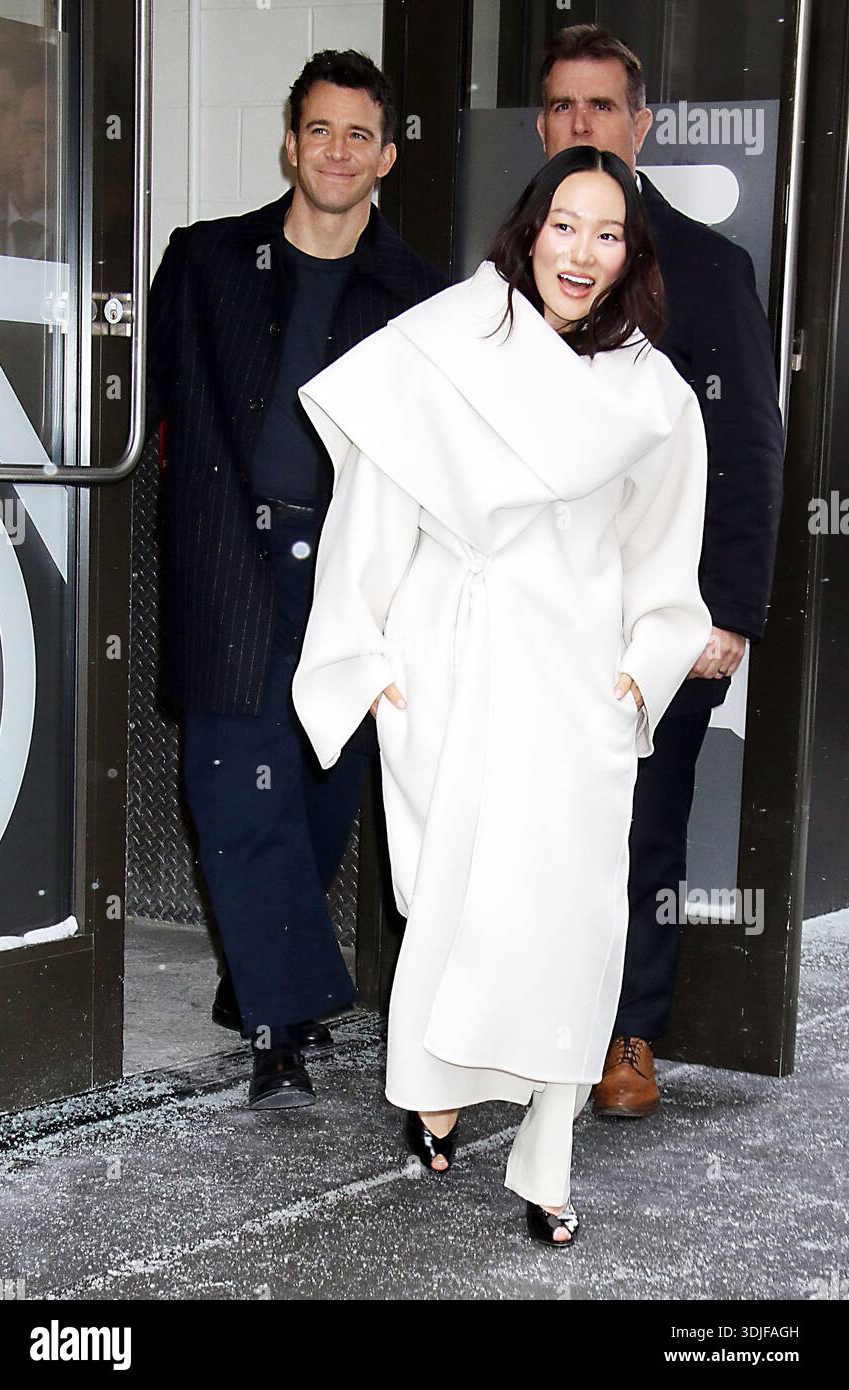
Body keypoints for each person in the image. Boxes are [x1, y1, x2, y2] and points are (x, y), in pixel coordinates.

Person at [291, 146, 712, 1245]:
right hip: (456, 673)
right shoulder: (442, 349)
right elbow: (370, 515)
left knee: (568, 928)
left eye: (607, 233)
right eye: (563, 225)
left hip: (575, 689)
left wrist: (639, 667)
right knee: (461, 909)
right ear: (528, 232)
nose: (581, 252)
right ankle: (434, 1091)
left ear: (631, 255)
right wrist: (367, 660)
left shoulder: (652, 397)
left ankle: (547, 1158)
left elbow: (665, 561)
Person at [145, 50, 446, 1110]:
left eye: (357, 134)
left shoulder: (424, 297)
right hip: (233, 554)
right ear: (289, 139)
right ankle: (282, 1026)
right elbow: (135, 400)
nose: (335, 150)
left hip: (360, 576)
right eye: (318, 129)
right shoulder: (205, 260)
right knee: (233, 783)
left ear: (387, 156)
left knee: (319, 797)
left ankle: (262, 983)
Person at [536, 26, 784, 1115]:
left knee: (641, 826)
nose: (579, 125)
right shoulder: (503, 275)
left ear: (638, 126)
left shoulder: (706, 268)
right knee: (532, 819)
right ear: (540, 126)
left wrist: (724, 613)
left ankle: (627, 1035)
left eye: (600, 107)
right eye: (560, 107)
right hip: (533, 608)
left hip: (657, 614)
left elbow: (748, 453)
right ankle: (534, 1026)